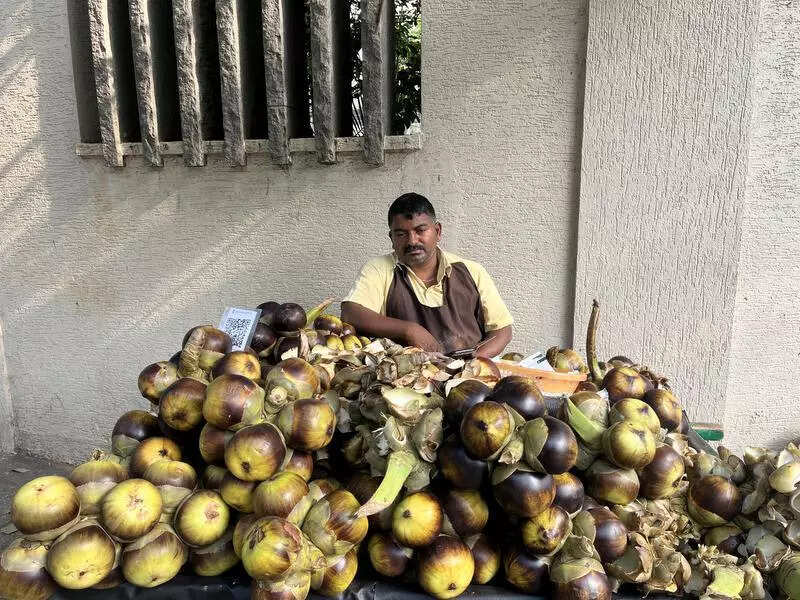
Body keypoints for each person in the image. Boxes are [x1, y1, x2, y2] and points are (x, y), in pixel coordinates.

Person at [341, 193, 513, 357]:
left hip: (467, 377)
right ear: (391, 238)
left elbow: (502, 330)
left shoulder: (471, 271)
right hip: (405, 379)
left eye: (420, 230)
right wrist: (409, 330)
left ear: (437, 231)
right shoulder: (379, 270)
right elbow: (351, 313)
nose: (412, 241)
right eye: (401, 234)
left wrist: (472, 362)